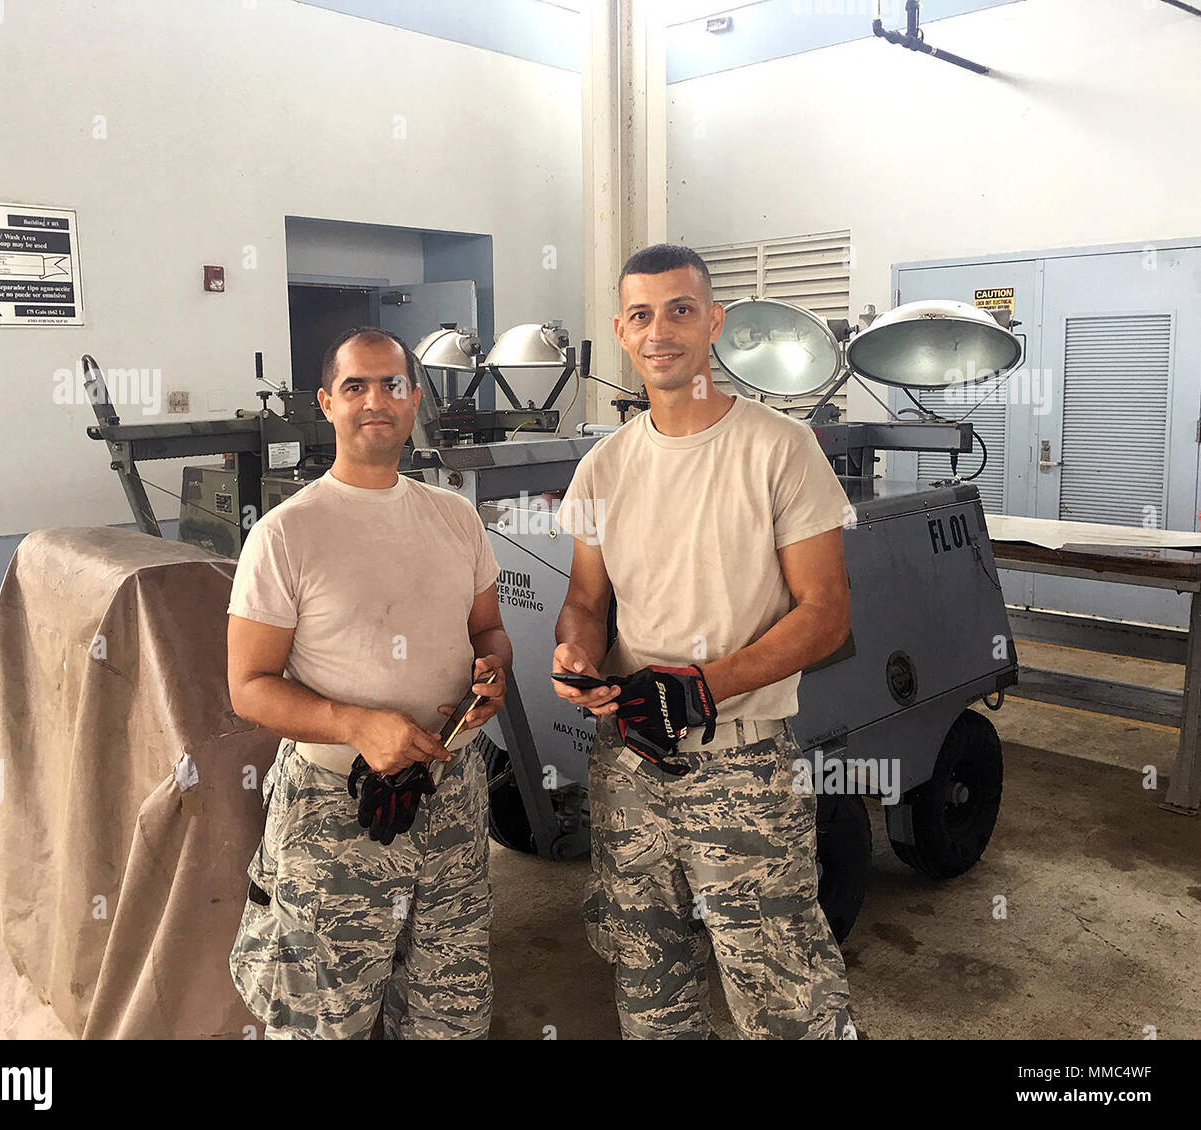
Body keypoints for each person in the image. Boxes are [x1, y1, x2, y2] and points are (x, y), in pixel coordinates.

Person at [552, 244, 855, 1039]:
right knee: (649, 982)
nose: (662, 330)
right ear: (622, 330)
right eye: (643, 314)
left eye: (681, 309)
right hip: (630, 761)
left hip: (743, 765)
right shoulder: (603, 469)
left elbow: (826, 614)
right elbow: (585, 601)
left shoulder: (780, 449)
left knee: (784, 992)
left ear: (713, 321)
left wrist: (701, 686)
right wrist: (576, 656)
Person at [226, 326, 511, 1039]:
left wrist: (493, 670)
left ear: (416, 400)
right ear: (327, 403)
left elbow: (488, 631)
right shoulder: (287, 534)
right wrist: (358, 725)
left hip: (453, 791)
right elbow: (250, 686)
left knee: (449, 1009)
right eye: (355, 386)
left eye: (392, 384)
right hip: (335, 806)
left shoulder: (455, 518)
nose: (374, 400)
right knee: (326, 1016)